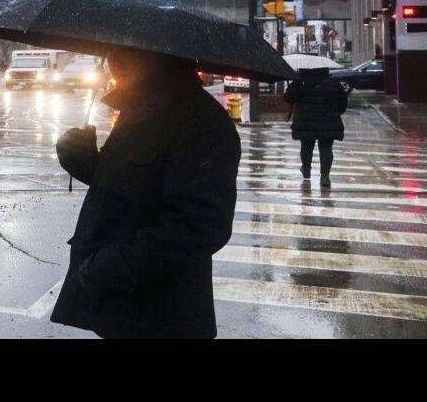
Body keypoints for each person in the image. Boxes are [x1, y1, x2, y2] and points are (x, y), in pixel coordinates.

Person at [50, 46, 241, 339]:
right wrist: (87, 164)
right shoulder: (141, 108)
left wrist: (114, 264)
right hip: (124, 309)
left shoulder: (199, 121)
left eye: (129, 52)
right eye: (112, 51)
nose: (116, 61)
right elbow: (139, 186)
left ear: (162, 54)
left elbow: (201, 225)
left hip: (165, 316)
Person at [283, 67, 347, 187]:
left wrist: (293, 85)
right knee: (326, 149)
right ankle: (325, 177)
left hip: (305, 121)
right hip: (328, 122)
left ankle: (306, 169)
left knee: (306, 146)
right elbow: (343, 104)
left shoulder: (300, 82)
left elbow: (288, 98)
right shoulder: (333, 83)